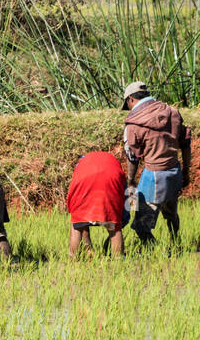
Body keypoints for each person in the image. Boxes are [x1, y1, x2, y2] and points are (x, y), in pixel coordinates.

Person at [122, 81, 192, 246]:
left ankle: (155, 251)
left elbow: (132, 156)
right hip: (174, 172)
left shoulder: (133, 123)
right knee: (171, 215)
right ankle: (175, 244)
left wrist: (131, 180)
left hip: (153, 176)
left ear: (131, 99)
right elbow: (186, 143)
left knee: (141, 226)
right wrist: (186, 171)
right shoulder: (172, 113)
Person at [66, 151, 129, 258]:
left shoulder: (81, 165)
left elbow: (72, 191)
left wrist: (72, 211)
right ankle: (118, 260)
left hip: (83, 187)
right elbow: (125, 192)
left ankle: (72, 261)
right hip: (110, 186)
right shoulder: (112, 162)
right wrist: (120, 218)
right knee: (114, 228)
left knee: (77, 226)